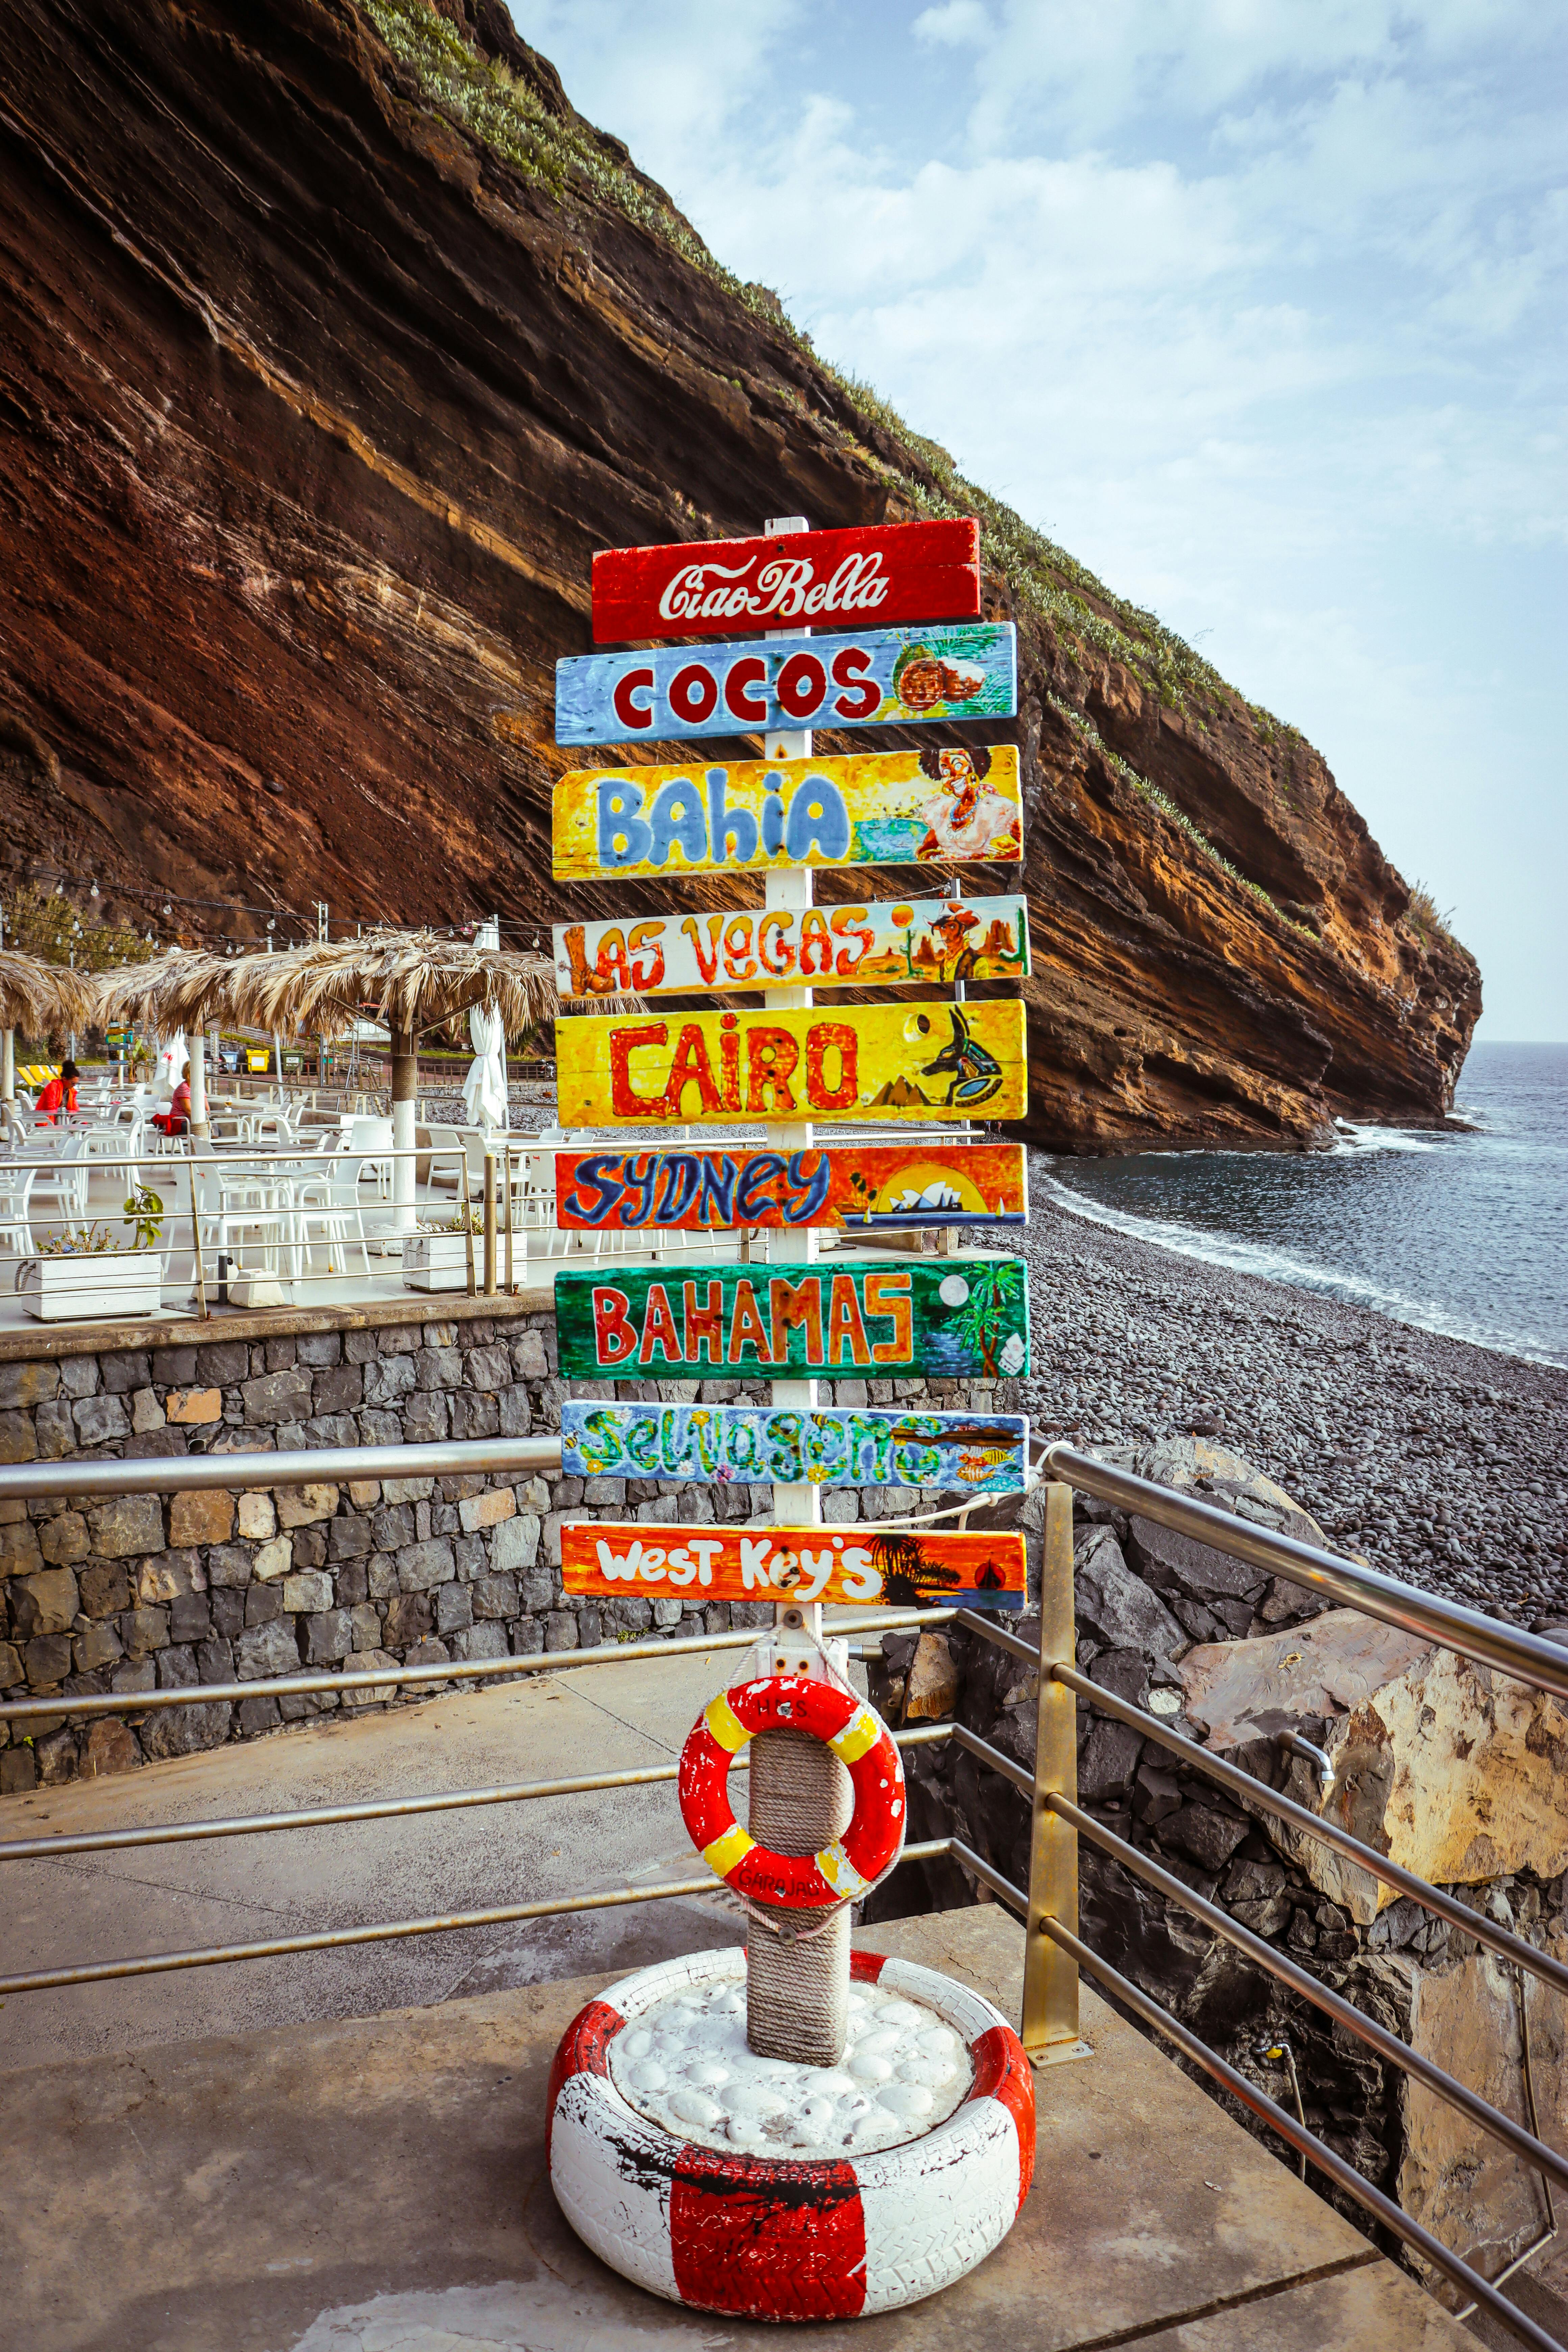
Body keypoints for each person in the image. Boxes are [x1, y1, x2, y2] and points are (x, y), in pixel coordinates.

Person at [152, 1060, 192, 1137]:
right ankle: (199, 1148)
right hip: (180, 1122)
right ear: (189, 1075)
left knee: (217, 1131)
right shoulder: (184, 1089)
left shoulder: (199, 1089)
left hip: (190, 1121)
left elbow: (207, 1108)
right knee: (198, 1129)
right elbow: (189, 1111)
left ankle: (200, 1148)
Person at [33, 1060, 78, 1125]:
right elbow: (51, 1107)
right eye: (73, 1083)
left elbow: (75, 1109)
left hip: (60, 1122)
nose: (75, 1085)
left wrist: (84, 1123)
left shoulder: (71, 1091)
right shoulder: (53, 1086)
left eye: (76, 1083)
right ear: (65, 1079)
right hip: (46, 1121)